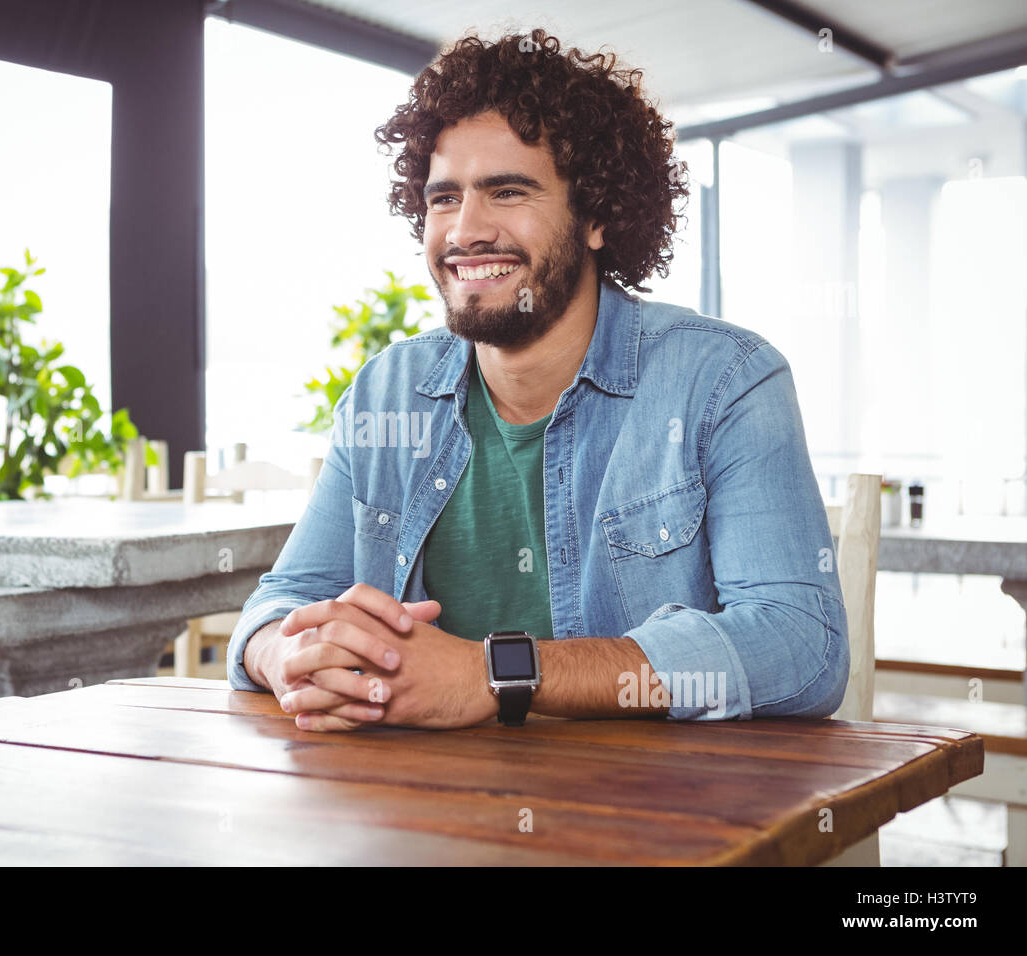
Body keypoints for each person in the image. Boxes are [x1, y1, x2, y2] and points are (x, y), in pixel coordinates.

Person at [227, 29, 848, 732]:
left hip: (649, 819)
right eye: (443, 198)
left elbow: (801, 646)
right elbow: (285, 600)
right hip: (417, 815)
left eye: (507, 191)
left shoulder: (724, 381)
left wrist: (495, 674)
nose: (466, 231)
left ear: (598, 215)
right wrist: (284, 653)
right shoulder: (386, 392)